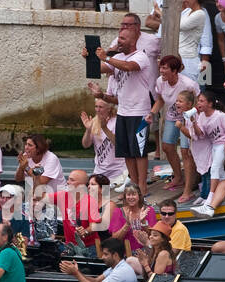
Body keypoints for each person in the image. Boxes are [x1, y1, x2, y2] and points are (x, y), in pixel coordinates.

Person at [88, 13, 152, 195]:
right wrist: (89, 57)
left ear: (132, 41)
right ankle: (133, 182)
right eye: (118, 39)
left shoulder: (140, 56)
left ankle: (142, 186)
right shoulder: (119, 58)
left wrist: (106, 58)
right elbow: (98, 69)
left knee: (139, 151)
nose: (118, 43)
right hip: (123, 111)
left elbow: (129, 67)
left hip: (139, 111)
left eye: (122, 40)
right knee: (126, 151)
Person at [182, 89, 225, 213]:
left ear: (210, 104)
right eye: (198, 101)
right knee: (220, 172)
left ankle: (210, 199)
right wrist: (194, 122)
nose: (198, 103)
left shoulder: (221, 116)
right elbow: (200, 134)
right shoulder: (202, 116)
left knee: (214, 168)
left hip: (222, 145)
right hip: (214, 145)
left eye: (202, 101)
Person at [151, 55, 199, 193]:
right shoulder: (160, 81)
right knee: (167, 146)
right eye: (161, 67)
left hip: (187, 118)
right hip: (172, 116)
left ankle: (188, 187)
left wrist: (190, 119)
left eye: (165, 68)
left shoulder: (188, 84)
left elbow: (198, 103)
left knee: (185, 151)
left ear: (174, 71)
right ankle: (178, 177)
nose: (161, 70)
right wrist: (152, 113)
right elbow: (160, 100)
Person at [60, 237, 139, 282]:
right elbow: (96, 281)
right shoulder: (115, 267)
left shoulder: (121, 272)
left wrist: (76, 274)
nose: (102, 257)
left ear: (115, 255)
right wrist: (76, 272)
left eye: (106, 254)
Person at [80, 95, 129, 190]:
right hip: (100, 171)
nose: (97, 110)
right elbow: (85, 145)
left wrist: (105, 128)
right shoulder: (94, 121)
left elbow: (120, 145)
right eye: (96, 106)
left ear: (109, 109)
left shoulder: (118, 122)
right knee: (96, 196)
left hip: (118, 171)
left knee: (108, 196)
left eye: (101, 107)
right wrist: (88, 130)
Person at [177, 0, 213, 89]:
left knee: (192, 89)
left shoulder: (201, 13)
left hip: (190, 58)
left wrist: (205, 60)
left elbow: (206, 37)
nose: (183, 0)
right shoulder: (186, 11)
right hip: (180, 57)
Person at [108, 183, 157, 260]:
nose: (131, 197)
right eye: (128, 195)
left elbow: (155, 235)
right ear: (125, 197)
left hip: (148, 251)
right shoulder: (118, 212)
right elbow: (115, 239)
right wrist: (127, 224)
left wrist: (143, 222)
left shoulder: (149, 210)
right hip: (126, 254)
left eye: (134, 194)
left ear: (139, 196)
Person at [62, 171, 110, 249]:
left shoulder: (109, 204)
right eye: (88, 184)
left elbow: (100, 225)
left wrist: (85, 231)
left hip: (103, 243)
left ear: (102, 189)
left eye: (93, 184)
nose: (89, 187)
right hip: (82, 241)